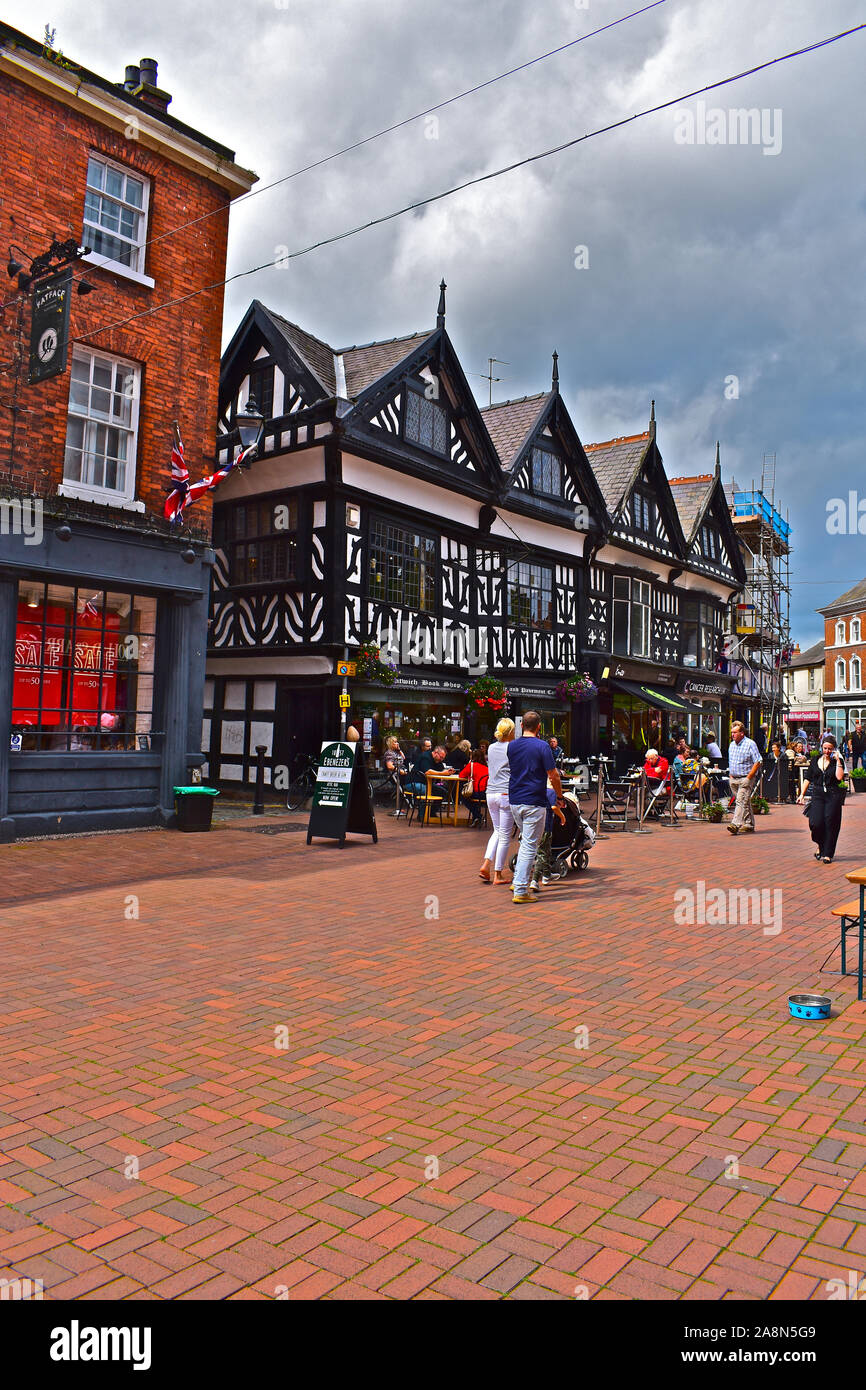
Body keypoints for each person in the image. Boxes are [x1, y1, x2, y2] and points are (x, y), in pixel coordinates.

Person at [506, 710, 565, 904]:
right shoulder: (542, 746)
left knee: (526, 842)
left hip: (515, 799)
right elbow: (553, 774)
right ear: (539, 727)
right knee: (531, 845)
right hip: (534, 800)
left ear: (521, 725)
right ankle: (521, 889)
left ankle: (518, 881)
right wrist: (559, 795)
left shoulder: (512, 746)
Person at [798, 735, 846, 863]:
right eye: (825, 748)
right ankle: (820, 844)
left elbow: (839, 777)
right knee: (815, 823)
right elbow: (808, 778)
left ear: (834, 749)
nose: (827, 751)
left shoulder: (837, 761)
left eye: (830, 749)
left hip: (832, 795)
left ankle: (828, 853)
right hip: (818, 794)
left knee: (831, 823)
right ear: (821, 747)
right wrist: (802, 794)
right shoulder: (815, 760)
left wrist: (839, 761)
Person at [479, 718, 515, 886]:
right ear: (510, 732)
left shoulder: (492, 747)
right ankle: (497, 874)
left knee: (497, 831)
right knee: (505, 835)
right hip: (505, 793)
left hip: (490, 792)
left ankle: (486, 863)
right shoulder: (512, 748)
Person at [726, 720, 763, 835]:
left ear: (742, 733)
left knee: (740, 801)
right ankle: (749, 824)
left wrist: (749, 777)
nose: (733, 735)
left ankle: (735, 824)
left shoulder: (750, 743)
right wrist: (731, 775)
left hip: (745, 778)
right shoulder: (731, 745)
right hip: (734, 778)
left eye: (735, 732)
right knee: (744, 801)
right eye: (732, 732)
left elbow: (758, 761)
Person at [459, 748, 489, 826]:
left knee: (463, 796)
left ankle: (477, 815)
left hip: (475, 792)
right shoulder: (487, 767)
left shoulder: (471, 765)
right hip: (485, 793)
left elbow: (461, 775)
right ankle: (476, 817)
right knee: (472, 800)